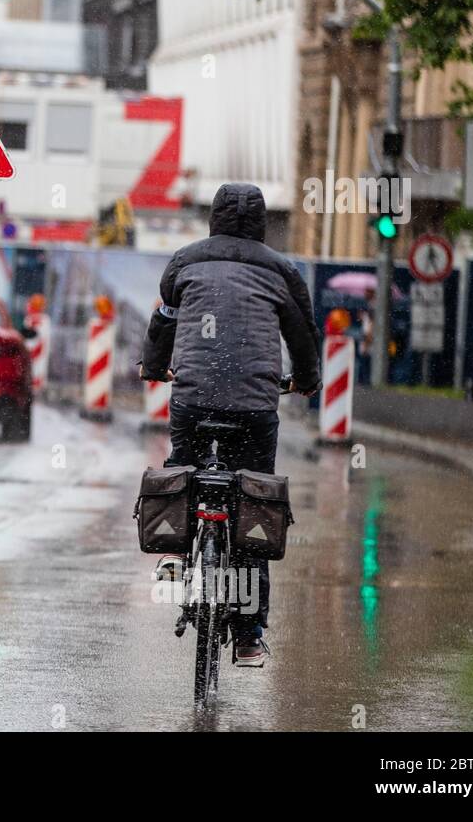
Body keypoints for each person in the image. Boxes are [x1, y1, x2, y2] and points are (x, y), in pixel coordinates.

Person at [138, 182, 321, 668]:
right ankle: (247, 634)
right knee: (253, 499)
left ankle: (175, 553)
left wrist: (155, 367)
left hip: (194, 397)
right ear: (262, 223)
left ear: (213, 219)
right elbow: (303, 336)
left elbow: (165, 320)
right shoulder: (282, 271)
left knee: (183, 467)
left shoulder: (185, 262)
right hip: (255, 406)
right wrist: (307, 380)